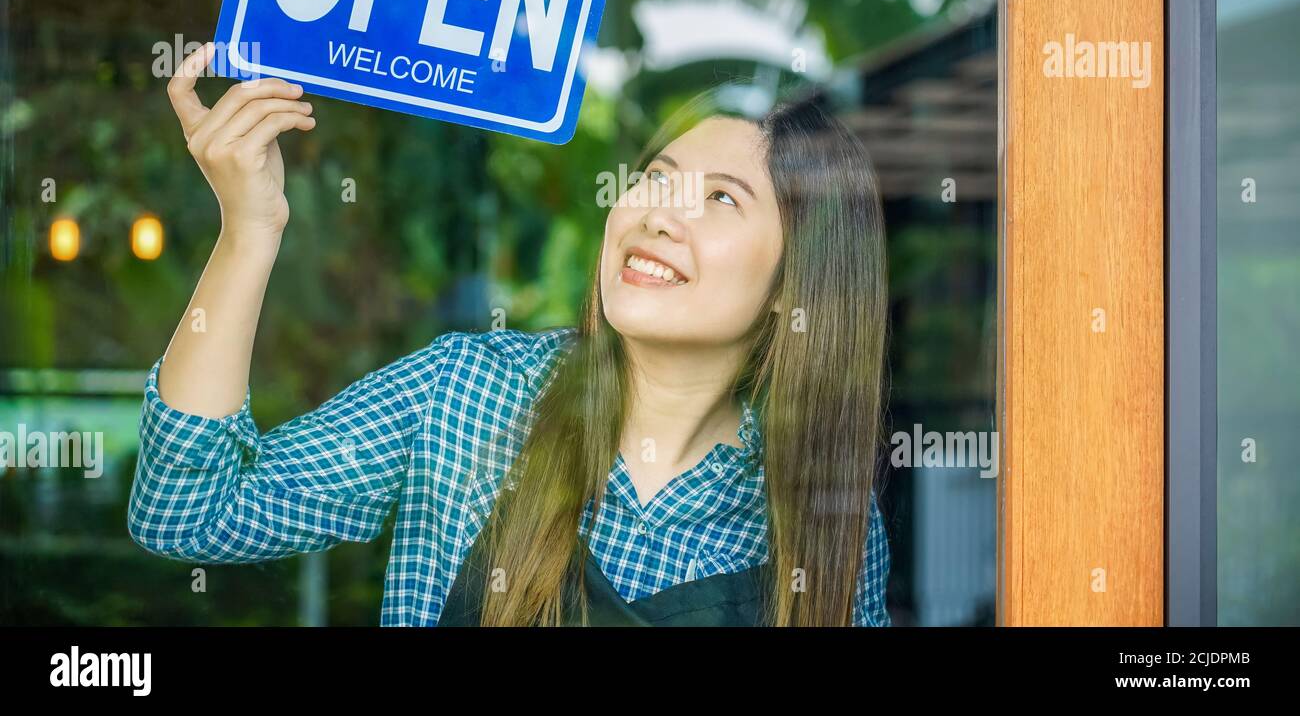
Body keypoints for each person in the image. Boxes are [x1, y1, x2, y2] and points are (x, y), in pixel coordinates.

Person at [128, 41, 892, 627]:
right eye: (657, 178)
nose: (659, 212)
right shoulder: (469, 395)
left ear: (797, 284)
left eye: (722, 199)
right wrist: (250, 230)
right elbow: (188, 511)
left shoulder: (829, 522)